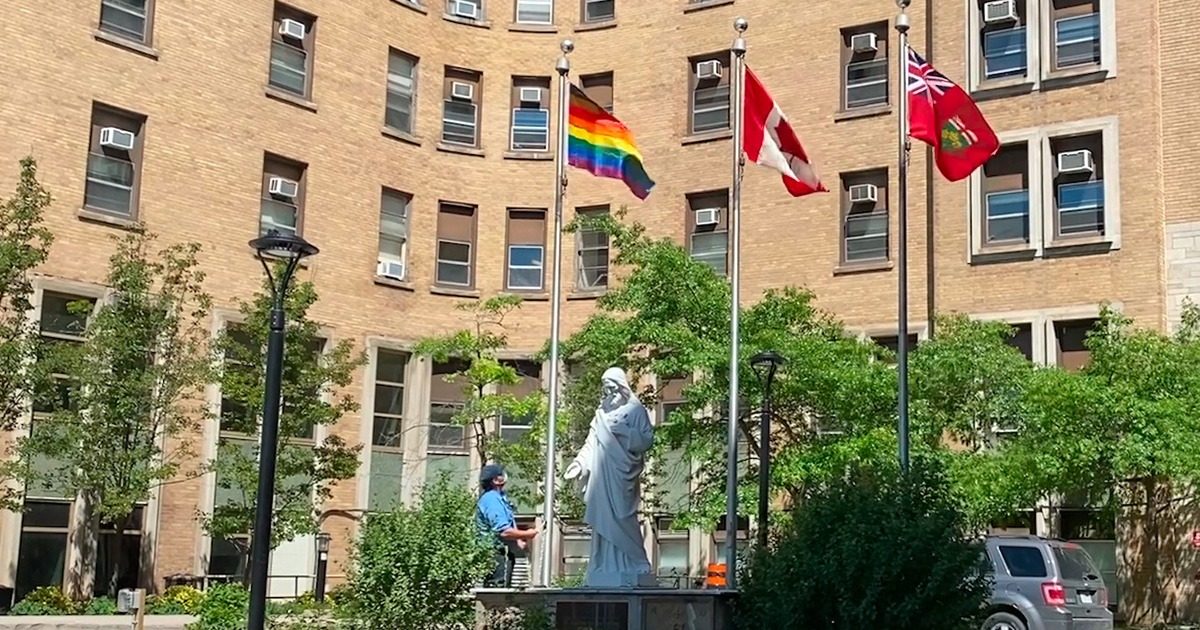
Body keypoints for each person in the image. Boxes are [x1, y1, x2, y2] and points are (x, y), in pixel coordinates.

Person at [564, 366, 655, 587]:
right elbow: (590, 444)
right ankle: (603, 565)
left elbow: (647, 440)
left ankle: (636, 561)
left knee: (624, 518)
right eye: (606, 389)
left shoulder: (636, 411)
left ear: (622, 387)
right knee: (603, 521)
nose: (609, 392)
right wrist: (579, 464)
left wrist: (626, 432)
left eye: (613, 387)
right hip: (601, 476)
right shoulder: (601, 414)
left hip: (623, 474)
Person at [475, 464, 539, 587]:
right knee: (498, 592)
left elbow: (509, 522)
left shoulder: (500, 498)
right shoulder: (491, 500)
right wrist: (529, 534)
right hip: (495, 554)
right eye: (501, 474)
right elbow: (504, 531)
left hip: (503, 553)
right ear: (495, 480)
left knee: (504, 590)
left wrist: (518, 540)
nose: (504, 476)